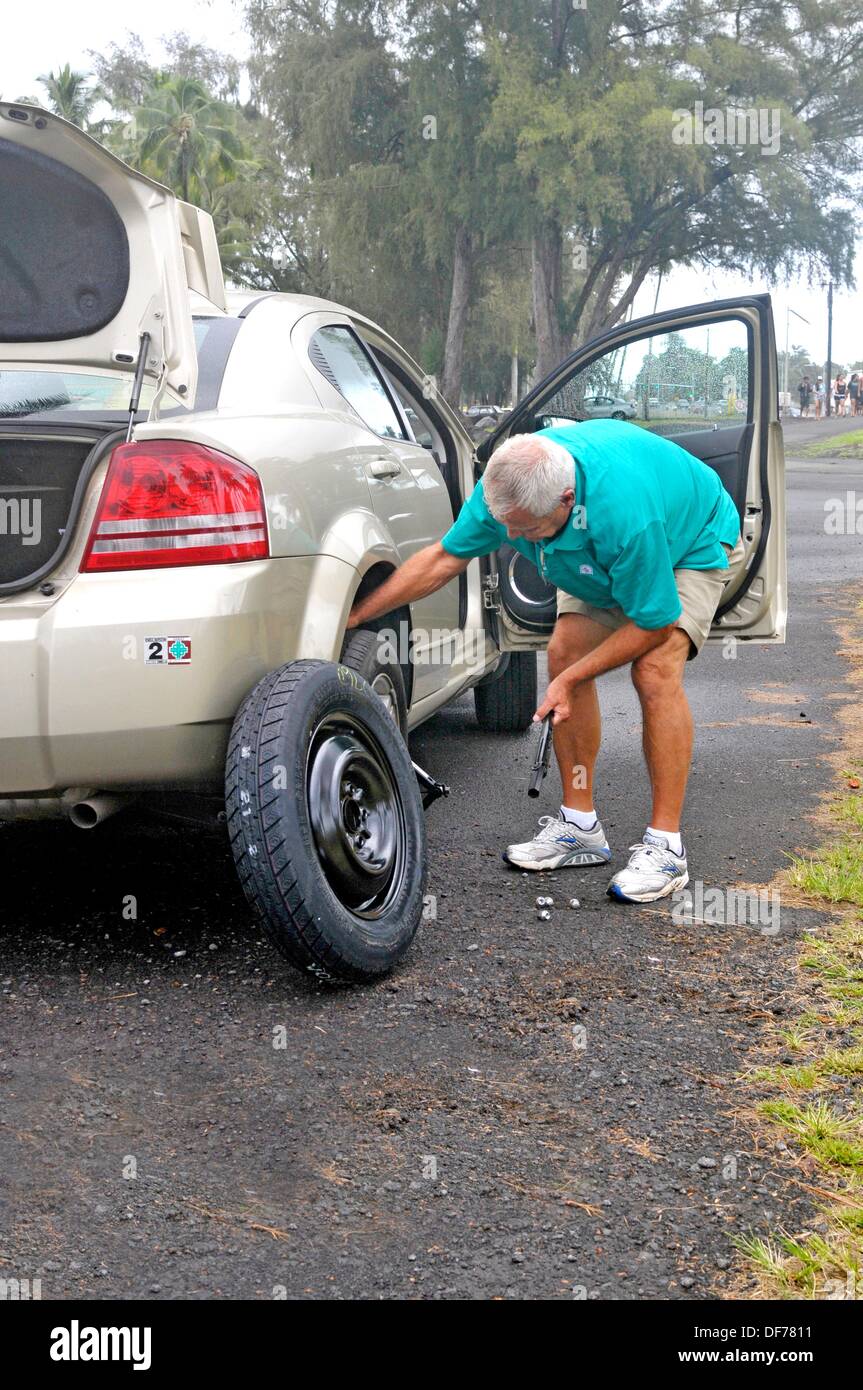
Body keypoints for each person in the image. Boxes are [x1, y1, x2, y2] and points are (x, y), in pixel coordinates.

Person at [347, 420, 746, 904]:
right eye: (505, 525)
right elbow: (441, 560)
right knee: (563, 651)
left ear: (564, 500)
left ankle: (666, 847)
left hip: (687, 540)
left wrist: (573, 680)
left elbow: (655, 622)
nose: (510, 535)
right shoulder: (510, 489)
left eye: (524, 530)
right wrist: (353, 618)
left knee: (654, 670)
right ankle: (580, 828)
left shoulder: (626, 514)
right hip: (599, 554)